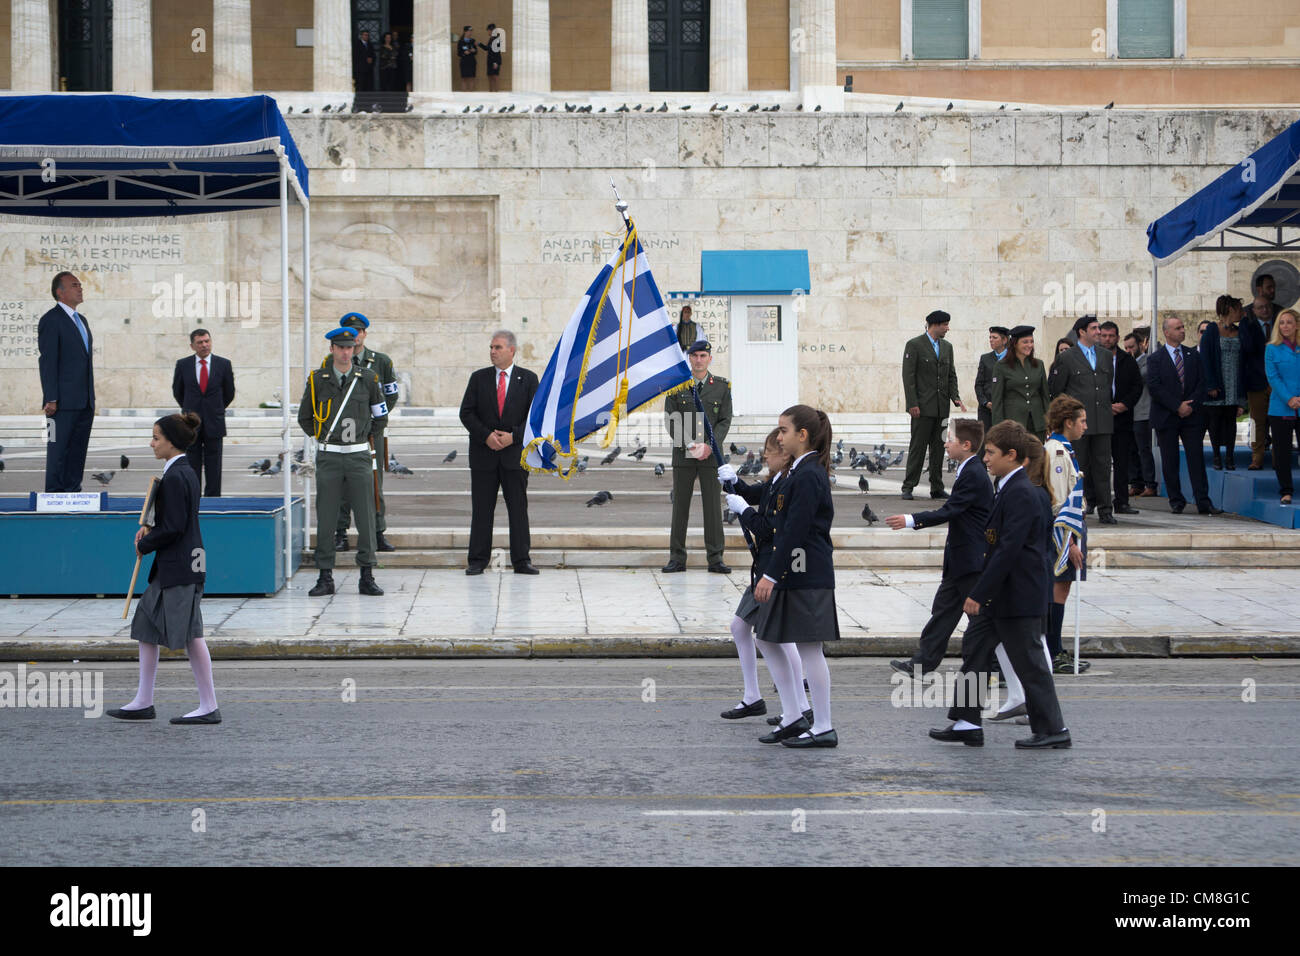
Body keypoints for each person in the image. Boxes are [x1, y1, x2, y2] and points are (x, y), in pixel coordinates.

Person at [931, 420, 1071, 750]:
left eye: (991, 453)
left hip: (1017, 596)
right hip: (1000, 596)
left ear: (1012, 455)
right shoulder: (1006, 487)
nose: (986, 458)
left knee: (1030, 664)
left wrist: (979, 592)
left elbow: (1009, 550)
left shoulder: (1022, 492)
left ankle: (1054, 729)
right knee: (975, 651)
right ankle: (967, 722)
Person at [108, 412, 220, 725]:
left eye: (156, 437)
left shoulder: (176, 476)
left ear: (171, 442)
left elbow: (174, 526)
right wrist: (150, 531)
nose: (152, 443)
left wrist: (146, 543)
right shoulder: (182, 472)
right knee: (146, 626)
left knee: (191, 635)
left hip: (180, 565)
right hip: (175, 564)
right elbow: (173, 522)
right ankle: (143, 701)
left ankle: (209, 706)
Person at [752, 404, 839, 748]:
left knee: (809, 649)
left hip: (807, 572)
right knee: (766, 638)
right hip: (795, 570)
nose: (779, 436)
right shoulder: (796, 472)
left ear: (803, 435)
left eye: (784, 430)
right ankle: (792, 716)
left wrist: (771, 575)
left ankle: (824, 726)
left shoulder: (809, 474)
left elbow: (794, 530)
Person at [885, 418, 992, 678]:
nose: (945, 444)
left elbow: (951, 510)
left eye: (950, 439)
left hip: (971, 560)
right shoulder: (968, 469)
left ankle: (993, 669)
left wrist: (911, 520)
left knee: (980, 619)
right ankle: (921, 664)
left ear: (966, 445)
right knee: (943, 613)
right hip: (960, 559)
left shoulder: (974, 473)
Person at [716, 429, 810, 723]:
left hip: (775, 570)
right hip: (765, 568)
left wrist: (743, 511)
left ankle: (801, 706)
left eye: (769, 451)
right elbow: (752, 493)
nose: (764, 456)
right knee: (740, 627)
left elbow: (769, 529)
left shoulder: (790, 483)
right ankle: (754, 697)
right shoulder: (775, 481)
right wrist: (734, 483)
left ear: (784, 455)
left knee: (779, 639)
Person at [299, 326, 388, 596]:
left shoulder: (369, 378)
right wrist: (325, 436)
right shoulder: (317, 380)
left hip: (359, 456)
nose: (346, 352)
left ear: (354, 348)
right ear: (332, 349)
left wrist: (364, 438)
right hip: (330, 457)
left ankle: (367, 574)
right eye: (341, 347)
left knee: (365, 516)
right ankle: (325, 575)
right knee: (326, 517)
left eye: (349, 347)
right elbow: (305, 417)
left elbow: (380, 416)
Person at [460, 330, 540, 575]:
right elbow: (467, 413)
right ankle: (477, 560)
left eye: (498, 347)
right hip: (484, 456)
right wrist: (486, 436)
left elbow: (535, 417)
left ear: (512, 350)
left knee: (518, 509)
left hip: (515, 456)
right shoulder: (479, 378)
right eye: (491, 347)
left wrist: (513, 437)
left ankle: (521, 560)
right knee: (482, 509)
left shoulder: (528, 379)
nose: (493, 352)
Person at [326, 313, 399, 553]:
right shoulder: (330, 361)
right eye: (348, 331)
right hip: (342, 434)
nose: (354, 336)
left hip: (370, 433)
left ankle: (377, 532)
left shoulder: (381, 362)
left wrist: (374, 422)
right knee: (341, 484)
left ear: (364, 334)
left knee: (373, 484)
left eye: (357, 331)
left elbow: (390, 394)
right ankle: (340, 533)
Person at [662, 339, 732, 573]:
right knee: (679, 507)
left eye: (703, 356)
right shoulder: (677, 386)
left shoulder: (721, 387)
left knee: (713, 508)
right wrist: (691, 445)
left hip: (711, 457)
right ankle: (677, 558)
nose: (699, 360)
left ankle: (715, 558)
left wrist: (710, 446)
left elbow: (724, 420)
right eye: (695, 356)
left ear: (710, 358)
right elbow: (671, 419)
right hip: (684, 455)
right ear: (689, 358)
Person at [1147, 316, 1223, 516]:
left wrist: (1190, 405)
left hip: (1191, 415)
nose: (1182, 330)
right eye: (1177, 328)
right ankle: (1176, 501)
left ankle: (1203, 502)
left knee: (1196, 459)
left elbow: (1201, 381)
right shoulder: (1155, 359)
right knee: (1170, 460)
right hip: (1167, 415)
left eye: (1182, 327)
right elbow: (1155, 387)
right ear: (1167, 332)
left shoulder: (1193, 355)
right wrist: (1176, 406)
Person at [1049, 315, 1116, 523]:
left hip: (1102, 421)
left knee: (1103, 467)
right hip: (1077, 424)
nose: (1098, 332)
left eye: (1098, 328)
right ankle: (1079, 508)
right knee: (1079, 467)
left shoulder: (1105, 356)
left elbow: (1107, 384)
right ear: (1082, 332)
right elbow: (1056, 389)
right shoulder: (1067, 357)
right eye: (1094, 328)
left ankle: (1106, 510)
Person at [1044, 396, 1091, 673]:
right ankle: (1054, 651)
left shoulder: (1065, 448)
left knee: (1062, 588)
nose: (1085, 425)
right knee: (1058, 589)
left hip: (1071, 528)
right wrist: (1070, 543)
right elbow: (1060, 502)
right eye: (1081, 421)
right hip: (1063, 531)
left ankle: (1055, 648)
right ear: (1068, 422)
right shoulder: (1058, 452)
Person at [38, 271, 95, 493]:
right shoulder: (51, 320)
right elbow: (48, 361)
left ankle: (73, 493)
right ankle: (54, 497)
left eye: (80, 284)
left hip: (84, 401)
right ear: (60, 292)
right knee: (57, 450)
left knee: (77, 452)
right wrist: (51, 397)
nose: (80, 288)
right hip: (60, 403)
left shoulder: (82, 321)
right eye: (74, 285)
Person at [900, 310, 967, 501]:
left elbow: (951, 375)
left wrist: (955, 397)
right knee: (918, 448)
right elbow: (909, 377)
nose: (947, 328)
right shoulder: (914, 345)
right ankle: (909, 486)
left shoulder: (947, 347)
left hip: (941, 407)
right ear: (934, 325)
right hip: (922, 408)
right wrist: (912, 403)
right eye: (945, 324)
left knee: (939, 448)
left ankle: (936, 487)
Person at [171, 329, 235, 497]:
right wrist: (190, 411)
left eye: (207, 341)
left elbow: (229, 393)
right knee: (192, 463)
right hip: (191, 424)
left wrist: (216, 408)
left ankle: (213, 499)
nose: (205, 345)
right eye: (200, 342)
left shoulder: (224, 364)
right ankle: (193, 498)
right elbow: (178, 392)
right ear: (192, 346)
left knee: (214, 464)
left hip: (215, 422)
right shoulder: (183, 365)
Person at [1099, 320, 1143, 514]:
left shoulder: (1127, 359)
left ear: (1117, 337)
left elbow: (1137, 386)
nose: (1108, 339)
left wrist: (1124, 404)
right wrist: (1105, 406)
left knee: (1122, 462)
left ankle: (1122, 501)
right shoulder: (1094, 358)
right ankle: (1097, 501)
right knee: (1099, 461)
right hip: (1100, 416)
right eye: (1104, 335)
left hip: (1123, 418)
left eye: (1111, 336)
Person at [1201, 296, 1247, 470]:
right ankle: (1216, 456)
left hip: (1234, 381)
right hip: (1218, 382)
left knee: (1231, 420)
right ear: (1229, 309)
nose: (1241, 313)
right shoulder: (1212, 330)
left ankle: (1229, 456)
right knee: (1215, 419)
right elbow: (1205, 359)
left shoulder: (1240, 330)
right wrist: (1210, 384)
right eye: (1238, 309)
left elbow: (1246, 356)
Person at [1240, 275, 1278, 470]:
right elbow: (1247, 349)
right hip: (1256, 381)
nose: (1265, 310)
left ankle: (1279, 455)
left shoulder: (1280, 320)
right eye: (1260, 308)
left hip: (1278, 382)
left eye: (1267, 308)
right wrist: (1249, 324)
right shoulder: (1248, 323)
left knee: (1278, 420)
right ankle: (1257, 456)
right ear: (1253, 310)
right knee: (1257, 422)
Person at [1265, 309, 1300, 506]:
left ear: (1296, 325)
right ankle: (1286, 490)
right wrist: (1289, 399)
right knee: (1282, 452)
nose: (1285, 326)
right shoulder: (1272, 349)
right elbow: (1273, 377)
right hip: (1281, 408)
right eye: (1282, 322)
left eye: (1289, 322)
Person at [991, 324, 1049, 439]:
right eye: (1025, 342)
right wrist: (998, 428)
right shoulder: (1001, 366)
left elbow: (1045, 396)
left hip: (1037, 423)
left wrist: (1049, 421)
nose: (1029, 345)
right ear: (1015, 343)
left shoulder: (1039, 365)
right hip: (1013, 424)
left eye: (1031, 342)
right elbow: (997, 400)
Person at [1129, 329, 1159, 498]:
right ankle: (1136, 482)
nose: (1129, 351)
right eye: (1126, 347)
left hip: (1144, 412)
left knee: (1144, 449)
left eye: (1132, 347)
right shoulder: (1126, 362)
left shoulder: (1147, 362)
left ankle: (1149, 484)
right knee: (1132, 450)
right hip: (1131, 413)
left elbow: (1143, 377)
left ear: (1141, 345)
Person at [974, 326, 1010, 446]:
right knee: (984, 443)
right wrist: (985, 402)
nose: (991, 340)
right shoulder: (985, 358)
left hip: (1005, 409)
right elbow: (979, 384)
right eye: (990, 337)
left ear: (1004, 340)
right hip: (986, 410)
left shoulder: (1011, 358)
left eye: (994, 337)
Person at [457, 26, 478, 92]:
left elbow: (476, 51)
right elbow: (458, 53)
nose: (470, 32)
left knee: (472, 78)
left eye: (471, 31)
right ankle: (464, 93)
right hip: (464, 62)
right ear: (465, 32)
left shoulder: (473, 41)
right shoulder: (461, 41)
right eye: (469, 31)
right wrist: (464, 53)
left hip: (471, 61)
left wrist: (474, 50)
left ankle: (471, 93)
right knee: (464, 78)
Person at [484, 23, 504, 93]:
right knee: (490, 77)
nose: (488, 32)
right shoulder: (491, 38)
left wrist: (495, 62)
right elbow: (487, 48)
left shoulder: (497, 39)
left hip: (495, 61)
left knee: (495, 77)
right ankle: (491, 92)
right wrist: (479, 44)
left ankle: (496, 92)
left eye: (489, 30)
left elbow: (496, 51)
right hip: (490, 60)